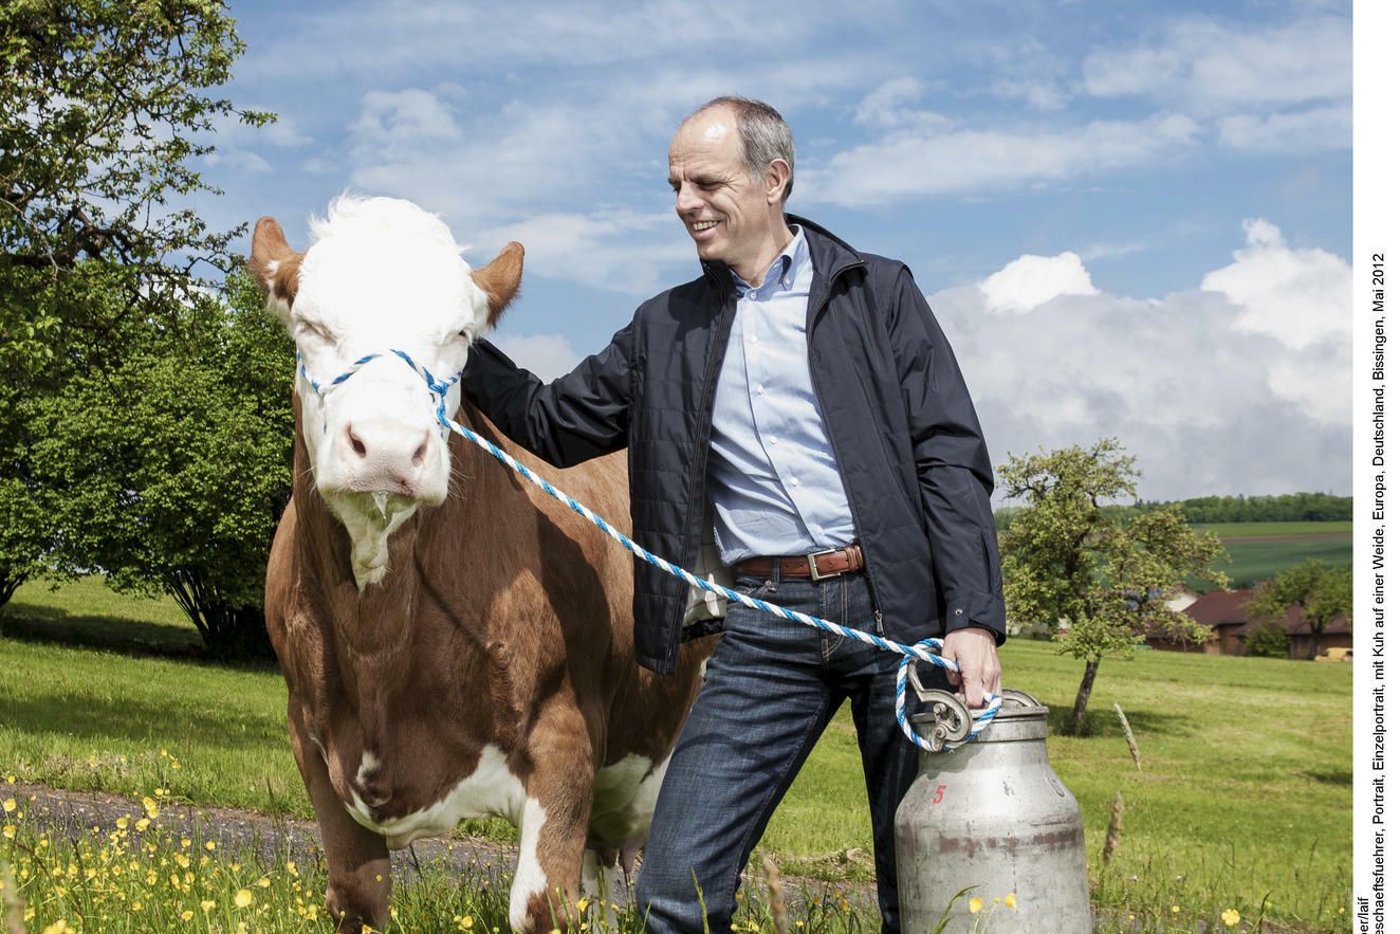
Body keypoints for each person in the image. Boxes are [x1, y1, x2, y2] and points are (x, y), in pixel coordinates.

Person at [463, 96, 1005, 933]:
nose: (685, 201)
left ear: (773, 179)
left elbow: (949, 452)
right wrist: (448, 332)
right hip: (763, 626)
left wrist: (970, 617)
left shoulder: (877, 293)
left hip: (901, 616)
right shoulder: (665, 329)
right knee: (676, 885)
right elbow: (548, 422)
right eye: (675, 183)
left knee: (924, 885)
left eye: (705, 181)